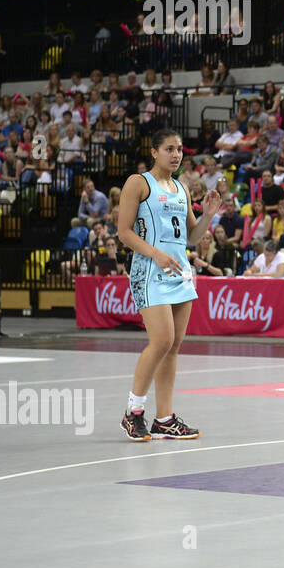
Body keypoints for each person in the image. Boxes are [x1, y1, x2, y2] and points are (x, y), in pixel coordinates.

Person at [117, 129, 221, 441]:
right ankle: (133, 412)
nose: (176, 155)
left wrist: (209, 217)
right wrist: (156, 254)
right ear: (153, 152)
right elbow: (124, 232)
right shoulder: (138, 183)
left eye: (179, 150)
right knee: (161, 341)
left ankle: (164, 418)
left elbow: (191, 237)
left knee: (173, 347)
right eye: (169, 149)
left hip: (179, 270)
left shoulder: (181, 187)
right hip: (150, 269)